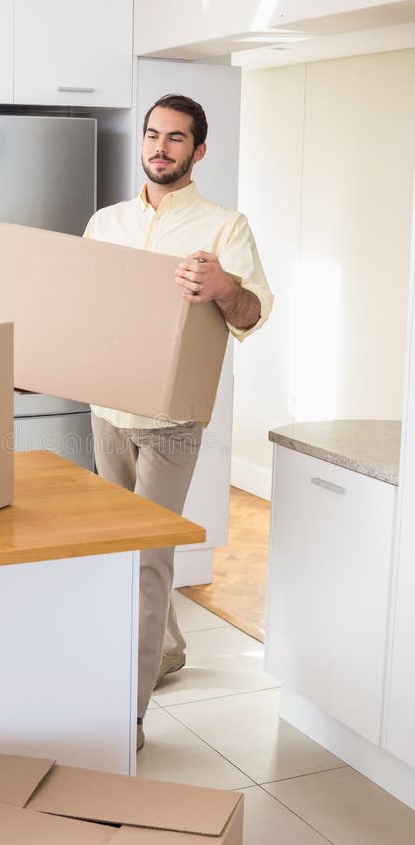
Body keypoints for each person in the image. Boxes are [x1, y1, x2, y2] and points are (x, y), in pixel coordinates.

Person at [84, 94, 273, 750]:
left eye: (176, 139)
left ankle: (127, 717)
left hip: (171, 422)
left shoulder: (225, 228)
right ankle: (163, 644)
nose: (160, 148)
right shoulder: (104, 222)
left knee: (145, 561)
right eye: (152, 135)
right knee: (119, 553)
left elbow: (249, 314)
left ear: (199, 151)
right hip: (105, 412)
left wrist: (223, 287)